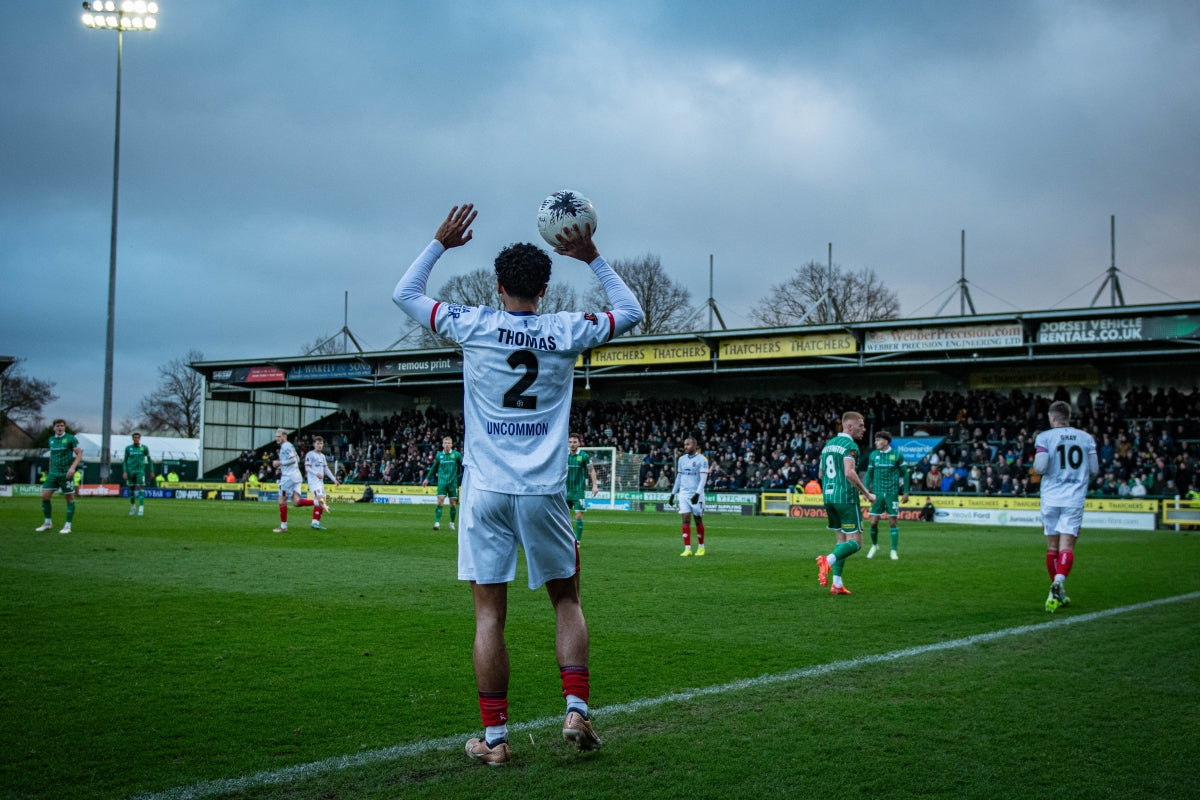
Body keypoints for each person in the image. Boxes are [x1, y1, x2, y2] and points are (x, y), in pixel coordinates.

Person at [392, 203, 643, 765]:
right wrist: (592, 255)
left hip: (484, 491)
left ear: (498, 284)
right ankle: (575, 709)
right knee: (566, 599)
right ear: (546, 288)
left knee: (488, 614)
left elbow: (405, 294)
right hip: (543, 491)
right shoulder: (565, 330)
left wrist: (439, 244)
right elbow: (631, 310)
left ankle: (496, 742)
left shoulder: (472, 324)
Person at [1033, 400, 1098, 612]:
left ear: (1052, 417)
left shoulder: (1044, 437)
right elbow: (1094, 469)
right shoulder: (1086, 438)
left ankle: (1057, 591)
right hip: (1073, 499)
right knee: (1067, 547)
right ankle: (1059, 584)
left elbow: (1040, 467)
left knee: (1052, 547)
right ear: (1068, 416)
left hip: (1050, 498)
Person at [815, 412, 876, 595]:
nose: (864, 429)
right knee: (856, 543)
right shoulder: (850, 446)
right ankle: (828, 561)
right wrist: (866, 493)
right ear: (849, 426)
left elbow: (820, 474)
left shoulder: (828, 445)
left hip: (829, 498)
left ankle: (837, 584)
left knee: (841, 541)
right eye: (861, 425)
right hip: (846, 499)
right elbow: (849, 473)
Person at [865, 431, 909, 560]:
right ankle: (874, 545)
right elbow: (869, 473)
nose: (876, 442)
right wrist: (866, 490)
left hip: (892, 492)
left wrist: (906, 492)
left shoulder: (897, 455)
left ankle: (893, 550)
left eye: (878, 440)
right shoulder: (873, 455)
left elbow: (905, 474)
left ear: (886, 441)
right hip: (877, 493)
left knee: (892, 522)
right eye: (876, 440)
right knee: (873, 522)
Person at [36, 419, 82, 534]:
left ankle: (67, 526)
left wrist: (73, 468)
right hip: (53, 473)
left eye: (62, 426)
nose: (60, 428)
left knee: (69, 499)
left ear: (64, 427)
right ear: (54, 428)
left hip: (65, 474)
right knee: (45, 496)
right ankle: (47, 523)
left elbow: (79, 454)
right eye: (58, 426)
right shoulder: (51, 440)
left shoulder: (71, 438)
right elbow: (52, 456)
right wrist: (49, 469)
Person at [271, 428, 317, 532]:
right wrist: (283, 466)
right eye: (276, 437)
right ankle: (318, 502)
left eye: (279, 436)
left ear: (284, 436)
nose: (277, 439)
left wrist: (280, 463)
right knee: (296, 502)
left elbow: (294, 459)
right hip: (296, 475)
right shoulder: (289, 445)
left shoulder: (286, 445)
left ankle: (283, 527)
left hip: (288, 477)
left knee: (281, 499)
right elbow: (298, 458)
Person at [671, 437, 709, 556]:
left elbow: (703, 478)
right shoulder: (681, 459)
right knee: (685, 519)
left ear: (695, 445)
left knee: (698, 520)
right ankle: (687, 549)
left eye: (688, 444)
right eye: (684, 444)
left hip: (696, 494)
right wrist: (673, 493)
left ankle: (701, 547)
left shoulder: (702, 460)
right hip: (683, 494)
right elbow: (679, 477)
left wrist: (697, 494)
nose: (685, 446)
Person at [423, 436, 463, 530]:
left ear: (452, 444)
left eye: (449, 443)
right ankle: (437, 523)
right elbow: (433, 467)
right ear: (442, 445)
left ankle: (452, 523)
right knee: (440, 501)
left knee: (453, 504)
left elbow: (464, 466)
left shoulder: (457, 455)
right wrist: (427, 478)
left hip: (453, 483)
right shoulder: (439, 456)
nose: (447, 445)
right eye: (445, 443)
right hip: (442, 482)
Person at [566, 433, 598, 542]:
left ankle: (577, 541)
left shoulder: (584, 456)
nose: (572, 444)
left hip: (579, 491)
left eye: (575, 442)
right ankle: (566, 539)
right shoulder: (563, 455)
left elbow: (591, 470)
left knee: (578, 515)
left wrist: (594, 485)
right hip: (564, 491)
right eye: (570, 442)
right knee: (563, 517)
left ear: (579, 443)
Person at [303, 435, 338, 530]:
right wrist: (316, 473)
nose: (319, 445)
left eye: (321, 443)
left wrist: (334, 479)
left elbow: (326, 469)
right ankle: (314, 523)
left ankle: (315, 522)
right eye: (317, 443)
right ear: (314, 444)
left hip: (320, 483)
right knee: (320, 500)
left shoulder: (322, 456)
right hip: (314, 483)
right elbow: (307, 468)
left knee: (322, 502)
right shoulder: (310, 454)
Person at [122, 432, 155, 517]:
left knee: (140, 487)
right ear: (132, 438)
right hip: (130, 471)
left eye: (137, 437)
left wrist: (151, 471)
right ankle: (133, 507)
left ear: (140, 438)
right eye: (135, 437)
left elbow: (150, 460)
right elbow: (125, 460)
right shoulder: (128, 448)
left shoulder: (144, 448)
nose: (136, 439)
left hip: (140, 471)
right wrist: (125, 471)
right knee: (132, 489)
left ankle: (141, 508)